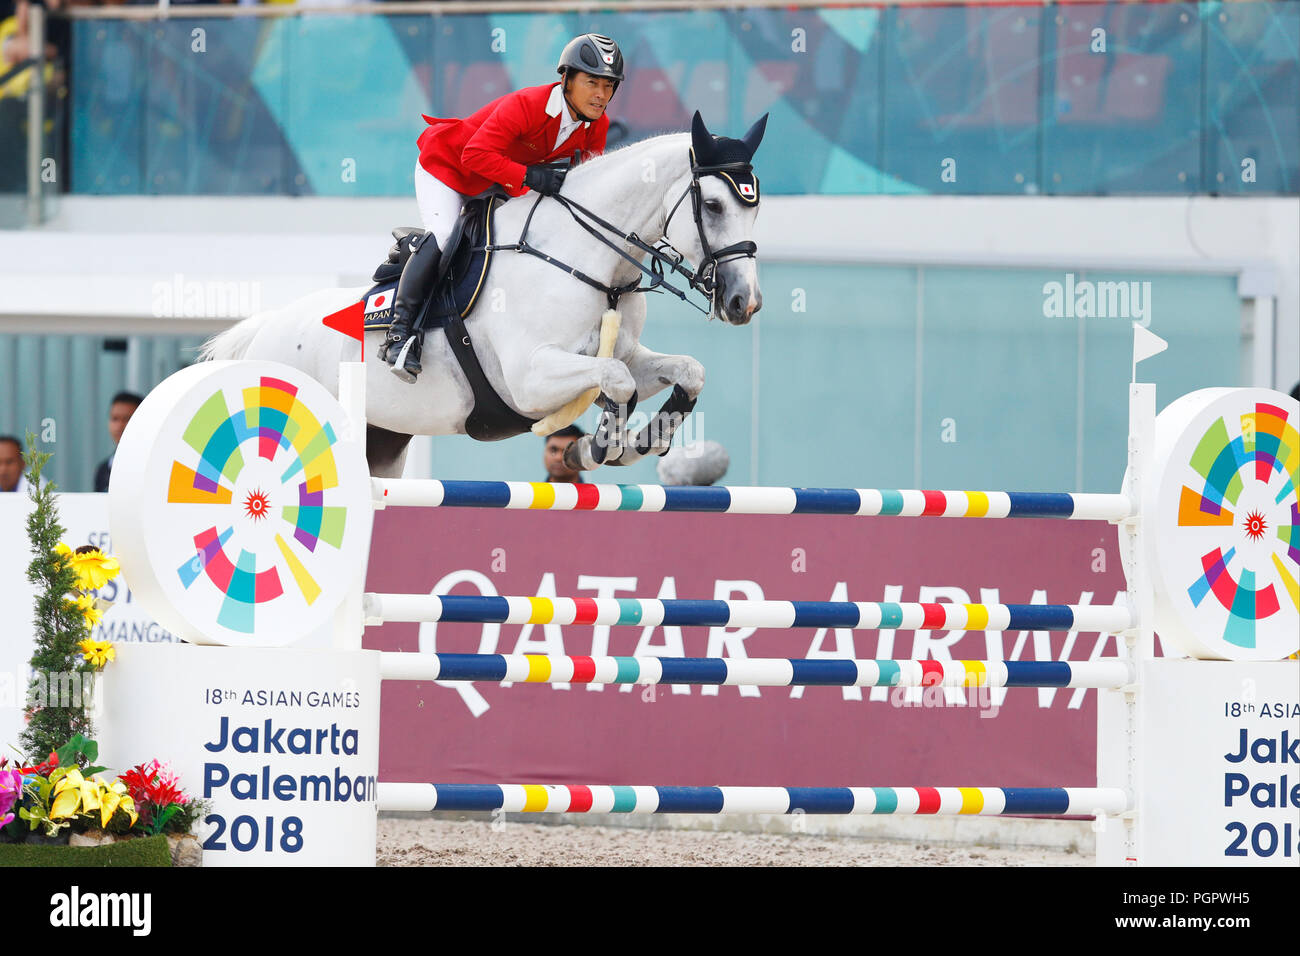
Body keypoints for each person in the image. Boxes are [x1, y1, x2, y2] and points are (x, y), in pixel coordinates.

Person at [380, 33, 625, 383]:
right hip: (449, 168)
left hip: (498, 185)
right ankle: (400, 334)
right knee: (445, 235)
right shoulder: (527, 105)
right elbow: (474, 155)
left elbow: (585, 186)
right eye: (592, 83)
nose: (601, 95)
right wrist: (529, 176)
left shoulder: (596, 125)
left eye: (609, 85)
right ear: (567, 80)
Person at [93, 391, 142, 492]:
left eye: (127, 419)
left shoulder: (153, 464)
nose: (119, 426)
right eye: (115, 419)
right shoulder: (103, 470)